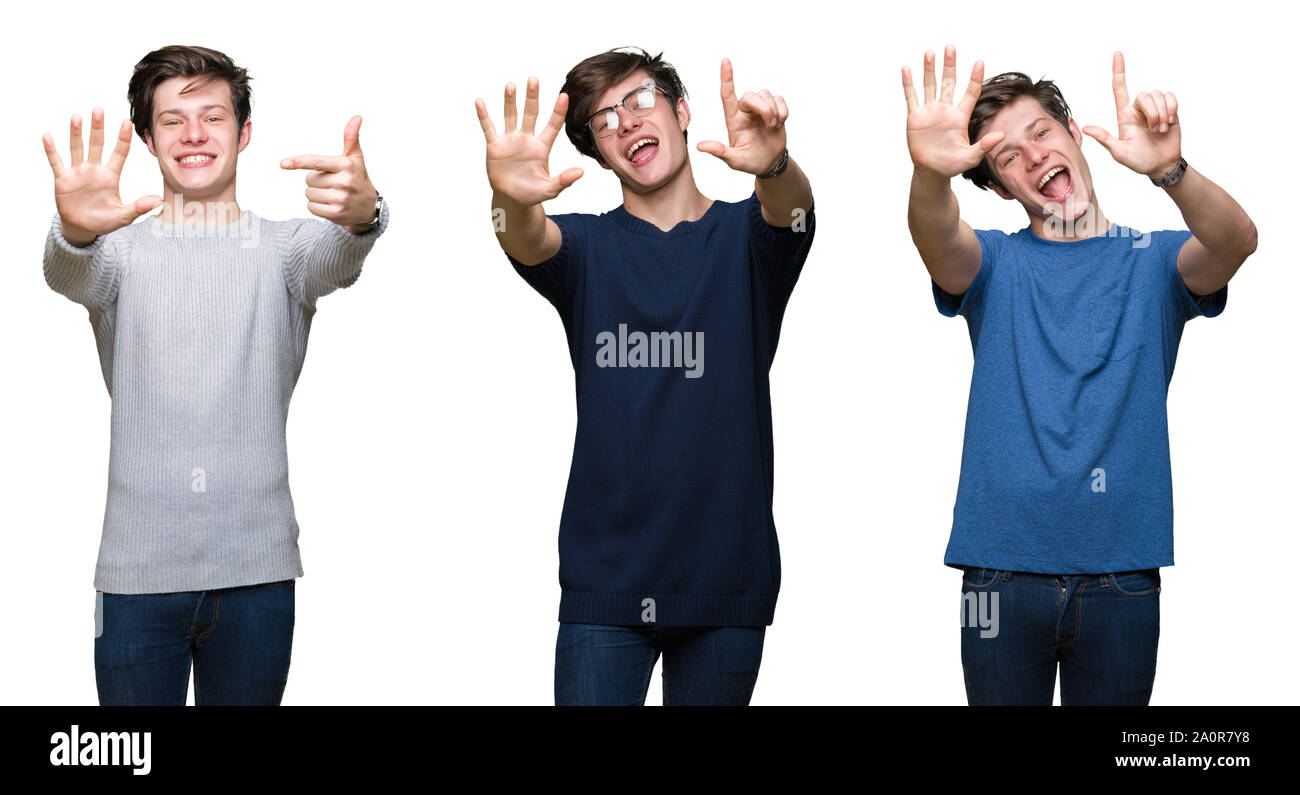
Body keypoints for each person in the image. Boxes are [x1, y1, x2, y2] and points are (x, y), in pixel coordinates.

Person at [902, 46, 1256, 705]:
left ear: (1071, 131)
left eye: (1041, 132)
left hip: (1122, 579)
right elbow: (936, 238)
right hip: (996, 581)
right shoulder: (992, 263)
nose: (1033, 156)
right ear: (1001, 186)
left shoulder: (1156, 263)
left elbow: (1237, 241)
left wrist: (1171, 170)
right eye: (1008, 156)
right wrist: (928, 175)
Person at [41, 45, 388, 705]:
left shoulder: (285, 251)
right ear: (146, 138)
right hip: (136, 578)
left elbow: (339, 255)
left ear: (244, 132)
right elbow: (70, 272)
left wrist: (362, 215)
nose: (194, 134)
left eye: (212, 116)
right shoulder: (115, 252)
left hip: (257, 577)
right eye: (173, 120)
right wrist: (74, 232)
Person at [475, 48, 815, 705]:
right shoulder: (583, 251)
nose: (626, 123)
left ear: (682, 112)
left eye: (640, 102)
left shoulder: (749, 238)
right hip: (606, 583)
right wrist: (507, 199)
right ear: (599, 154)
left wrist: (774, 164)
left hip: (725, 578)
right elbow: (523, 235)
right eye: (605, 121)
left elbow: (793, 211)